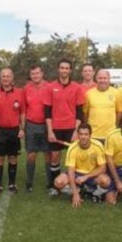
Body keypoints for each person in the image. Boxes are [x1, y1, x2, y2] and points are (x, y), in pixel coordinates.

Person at [44, 59, 84, 194]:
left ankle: (76, 184)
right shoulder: (50, 87)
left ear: (70, 70)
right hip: (55, 128)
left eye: (67, 68)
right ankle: (56, 186)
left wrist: (76, 131)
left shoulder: (77, 87)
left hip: (71, 128)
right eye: (62, 68)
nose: (64, 70)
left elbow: (79, 112)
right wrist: (50, 131)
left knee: (74, 157)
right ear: (58, 69)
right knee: (55, 156)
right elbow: (47, 111)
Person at [55, 123, 111, 207]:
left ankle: (95, 194)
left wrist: (86, 176)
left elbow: (103, 168)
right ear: (78, 135)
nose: (83, 137)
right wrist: (75, 194)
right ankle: (78, 191)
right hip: (77, 174)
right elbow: (71, 172)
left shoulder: (98, 146)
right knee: (58, 182)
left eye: (86, 134)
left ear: (90, 135)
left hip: (92, 174)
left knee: (106, 181)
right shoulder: (72, 148)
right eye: (81, 134)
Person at [0, 68, 25, 194]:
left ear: (12, 78)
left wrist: (22, 128)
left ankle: (12, 184)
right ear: (0, 78)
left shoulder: (19, 92)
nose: (6, 78)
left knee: (13, 157)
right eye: (3, 76)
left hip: (14, 130)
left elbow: (22, 112)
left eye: (8, 76)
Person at [23, 64, 52, 192]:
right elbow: (24, 109)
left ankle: (50, 182)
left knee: (48, 154)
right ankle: (29, 182)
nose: (35, 76)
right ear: (30, 76)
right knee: (31, 155)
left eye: (37, 73)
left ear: (42, 73)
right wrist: (22, 127)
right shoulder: (26, 88)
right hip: (31, 125)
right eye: (33, 74)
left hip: (46, 125)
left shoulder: (49, 87)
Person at [84, 69, 121, 142]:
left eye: (105, 78)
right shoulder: (89, 94)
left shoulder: (116, 93)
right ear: (96, 79)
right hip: (93, 135)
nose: (102, 80)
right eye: (100, 78)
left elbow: (119, 112)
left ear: (109, 79)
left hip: (110, 134)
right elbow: (86, 113)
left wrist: (115, 126)